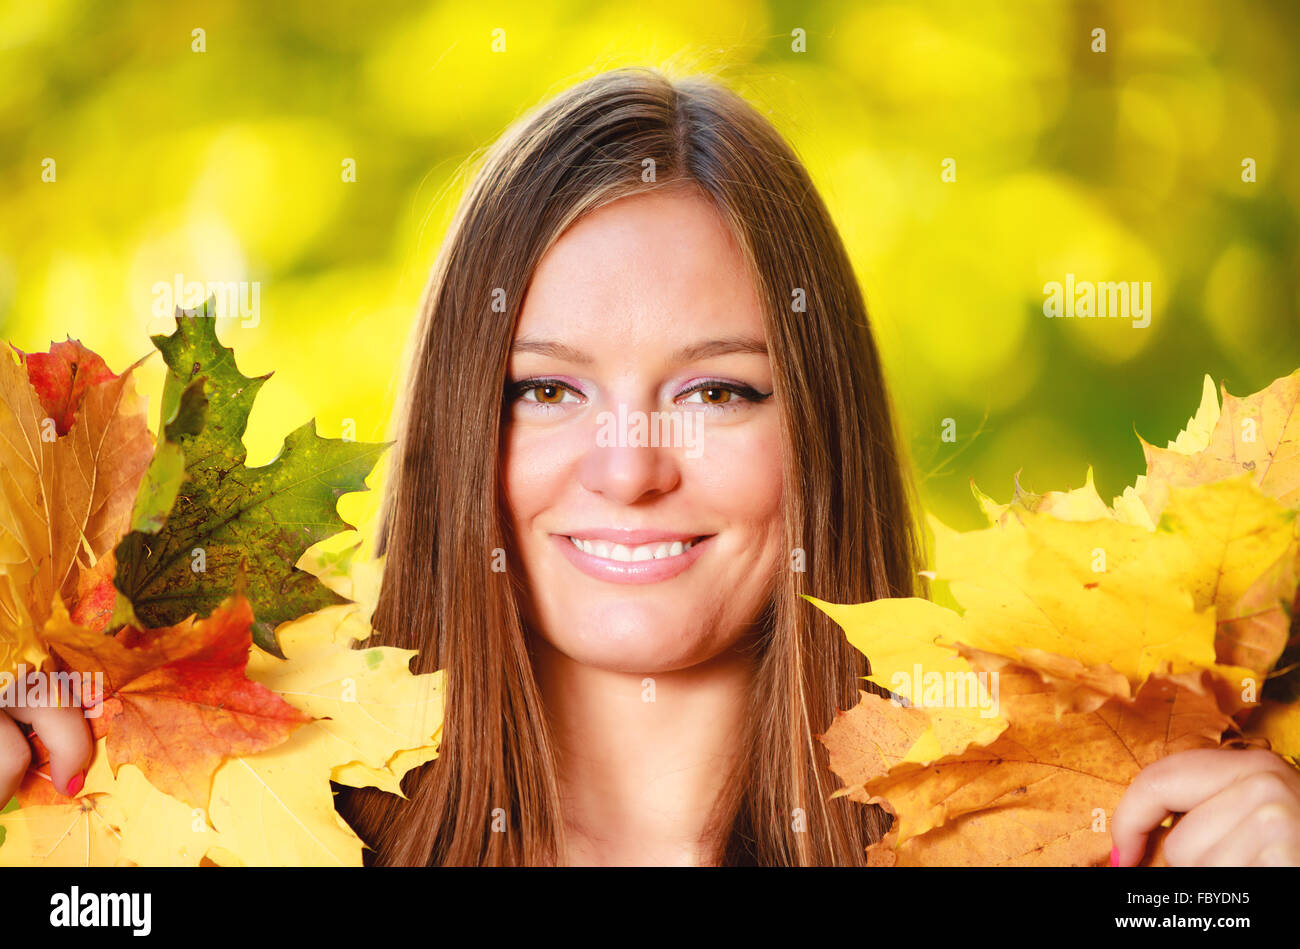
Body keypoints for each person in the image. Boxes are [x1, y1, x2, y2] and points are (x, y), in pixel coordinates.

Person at [4, 68, 1298, 867]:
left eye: (718, 391)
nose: (627, 471)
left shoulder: (1081, 843)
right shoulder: (198, 825)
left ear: (822, 436)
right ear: (462, 433)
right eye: (546, 390)